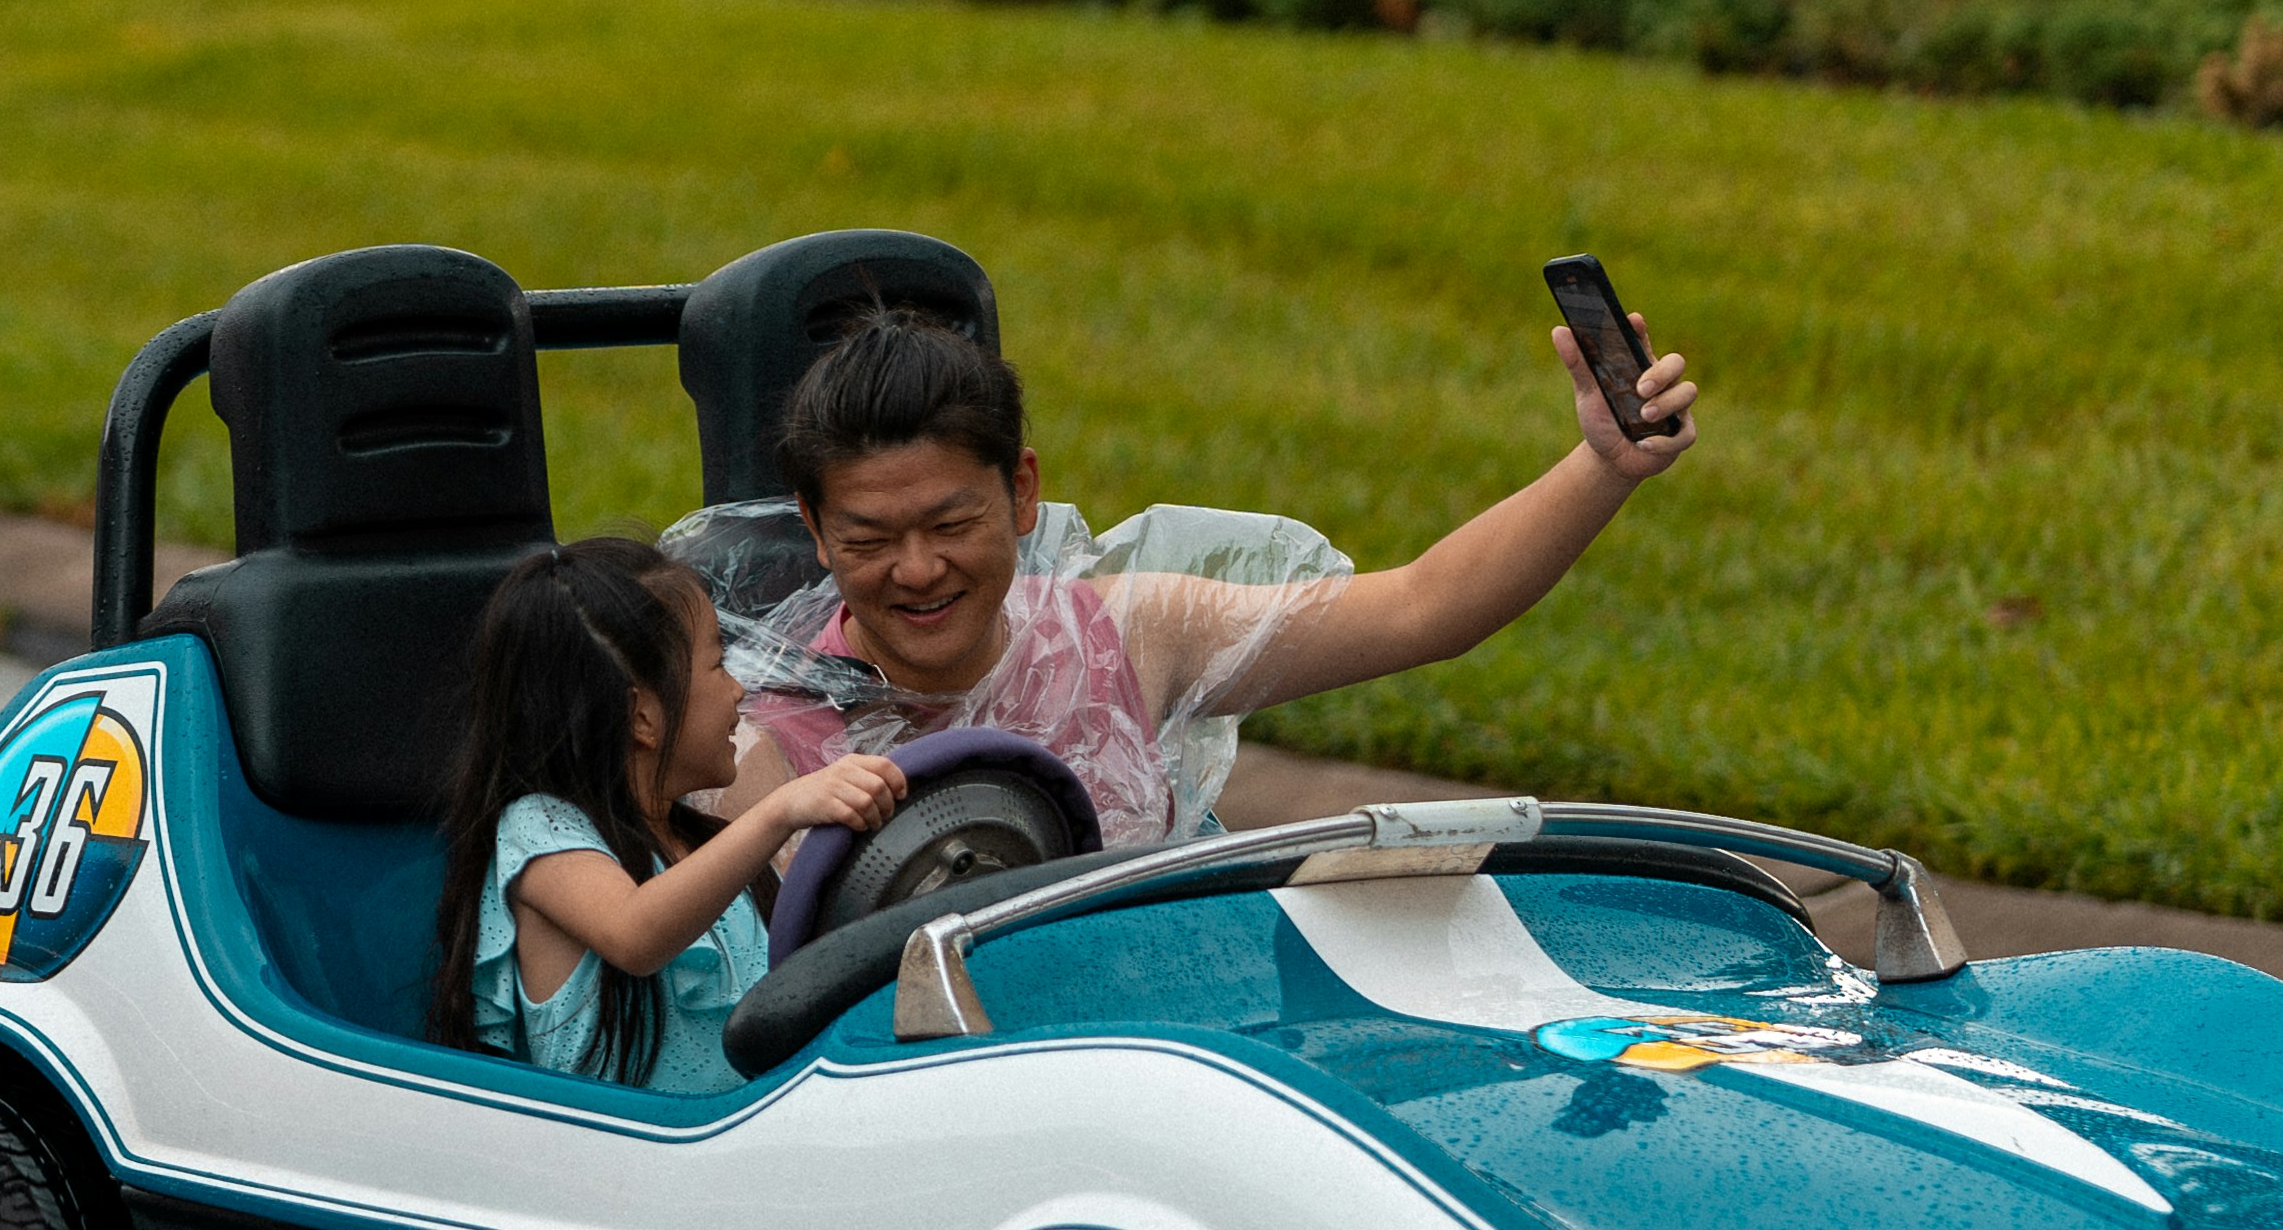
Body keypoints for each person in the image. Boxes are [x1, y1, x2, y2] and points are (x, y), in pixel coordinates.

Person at [687, 307, 1695, 856]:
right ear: (814, 528)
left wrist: (1602, 465)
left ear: (1022, 492)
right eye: (869, 536)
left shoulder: (1127, 634)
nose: (917, 568)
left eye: (952, 522)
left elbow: (1424, 606)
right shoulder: (758, 738)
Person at [428, 537, 911, 1098]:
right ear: (641, 717)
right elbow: (635, 935)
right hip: (619, 1162)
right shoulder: (540, 829)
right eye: (717, 664)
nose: (738, 691)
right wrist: (779, 810)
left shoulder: (697, 842)